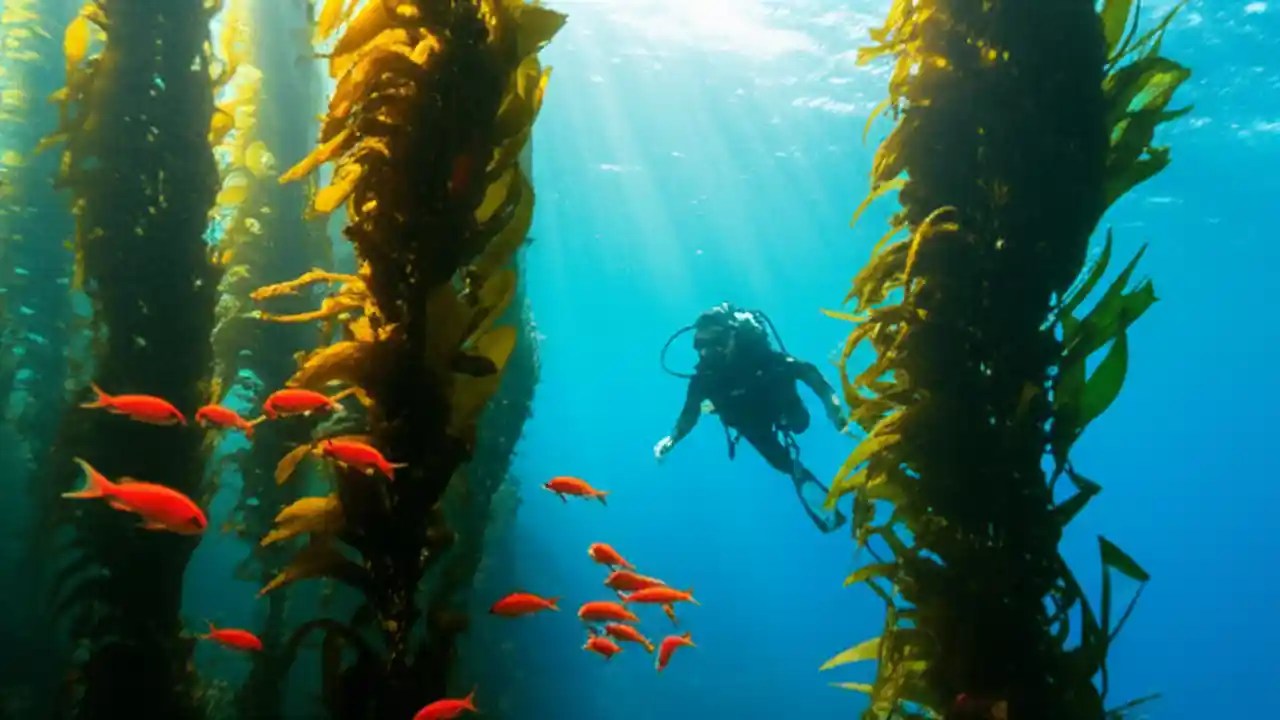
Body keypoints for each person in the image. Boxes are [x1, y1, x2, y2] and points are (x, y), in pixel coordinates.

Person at [654, 302, 850, 533]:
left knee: (799, 424)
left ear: (733, 336)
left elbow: (809, 373)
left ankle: (798, 463)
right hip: (748, 420)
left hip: (780, 406)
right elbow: (690, 412)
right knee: (779, 461)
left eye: (715, 342)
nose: (707, 351)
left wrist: (834, 409)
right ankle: (803, 480)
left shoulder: (765, 358)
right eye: (701, 345)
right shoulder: (705, 378)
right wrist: (673, 437)